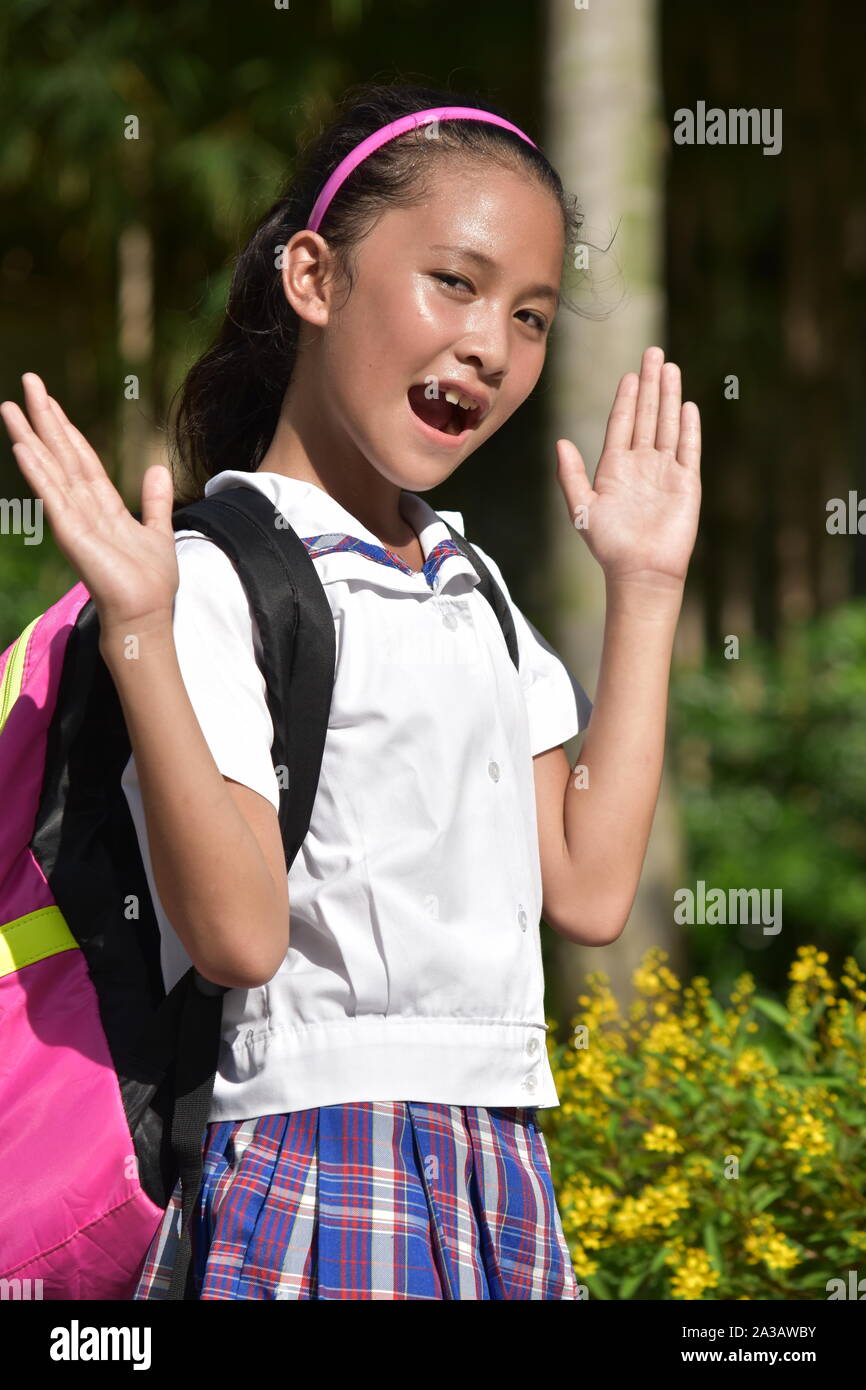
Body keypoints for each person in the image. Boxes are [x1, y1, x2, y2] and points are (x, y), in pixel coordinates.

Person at [0, 81, 701, 1300]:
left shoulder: (470, 586)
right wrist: (141, 632)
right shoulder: (213, 579)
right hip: (317, 1163)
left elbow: (587, 887)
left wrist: (642, 588)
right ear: (314, 279)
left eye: (532, 316)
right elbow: (237, 934)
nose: (492, 345)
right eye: (457, 282)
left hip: (501, 1168)